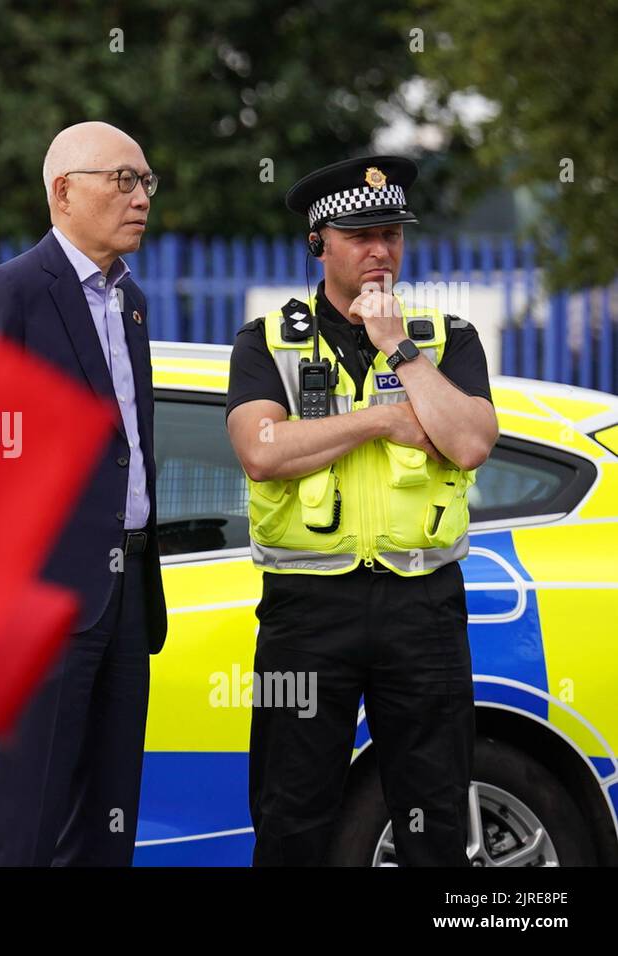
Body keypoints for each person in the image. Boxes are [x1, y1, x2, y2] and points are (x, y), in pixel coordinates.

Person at [225, 155, 498, 866]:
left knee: (435, 823)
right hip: (307, 611)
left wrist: (397, 348)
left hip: (424, 606)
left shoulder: (444, 339)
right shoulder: (266, 341)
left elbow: (468, 442)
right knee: (291, 820)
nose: (382, 251)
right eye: (361, 235)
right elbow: (262, 451)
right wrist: (378, 423)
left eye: (393, 235)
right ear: (319, 242)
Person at [0, 121, 168, 866]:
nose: (141, 197)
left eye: (145, 182)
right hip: (42, 606)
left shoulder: (132, 303)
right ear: (63, 191)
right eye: (122, 179)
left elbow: (128, 453)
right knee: (23, 826)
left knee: (108, 827)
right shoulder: (9, 293)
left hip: (128, 599)